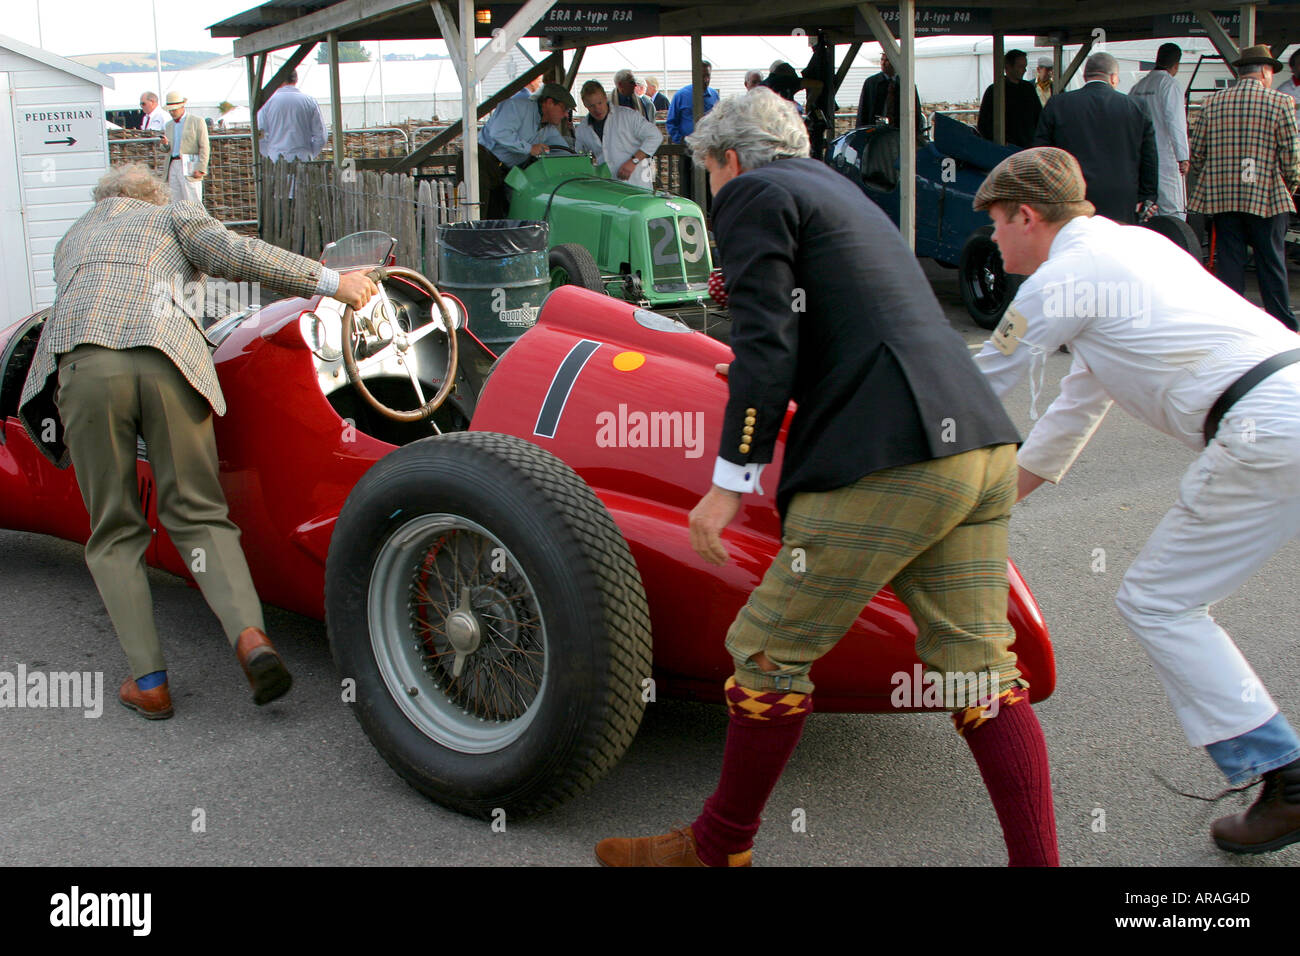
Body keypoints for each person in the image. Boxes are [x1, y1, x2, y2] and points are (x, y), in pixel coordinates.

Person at [594, 89, 1058, 868]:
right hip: (974, 443)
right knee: (980, 670)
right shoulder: (836, 191)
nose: (715, 188)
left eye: (710, 171)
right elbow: (852, 318)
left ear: (729, 160)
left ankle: (718, 849)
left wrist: (728, 480)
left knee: (769, 649)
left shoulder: (753, 192)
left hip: (889, 456)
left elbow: (768, 348)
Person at [972, 145, 1300, 855]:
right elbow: (1073, 412)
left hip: (1265, 428)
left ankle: (1285, 774)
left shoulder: (1063, 279)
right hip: (1288, 401)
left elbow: (972, 385)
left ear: (1027, 215)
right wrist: (992, 511)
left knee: (1158, 601)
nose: (994, 242)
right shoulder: (1133, 250)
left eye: (998, 224)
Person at [16, 163, 378, 720]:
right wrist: (334, 281)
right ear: (150, 195)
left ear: (103, 199)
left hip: (86, 369)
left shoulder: (75, 235)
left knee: (114, 529)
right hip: (169, 362)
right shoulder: (172, 214)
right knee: (199, 514)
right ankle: (251, 638)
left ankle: (151, 682)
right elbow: (238, 255)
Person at [1189, 45, 1300, 330]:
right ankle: (1282, 326)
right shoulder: (1281, 102)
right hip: (1267, 197)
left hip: (1223, 197)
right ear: (1265, 70)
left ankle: (1231, 324)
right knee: (1271, 263)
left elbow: (1197, 154)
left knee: (1230, 262)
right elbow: (1290, 156)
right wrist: (1289, 186)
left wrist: (1213, 181)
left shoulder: (1211, 103)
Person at [1033, 52, 1158, 224]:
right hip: (1121, 200)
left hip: (1071, 198)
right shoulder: (1137, 107)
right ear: (1113, 77)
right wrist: (1148, 196)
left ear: (1085, 76)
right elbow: (1149, 157)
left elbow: (1041, 154)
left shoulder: (1057, 104)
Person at [477, 83, 575, 219]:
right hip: (481, 164)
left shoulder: (548, 130)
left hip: (503, 172)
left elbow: (565, 153)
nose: (565, 115)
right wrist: (530, 148)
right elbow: (499, 133)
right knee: (477, 216)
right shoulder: (517, 107)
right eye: (564, 109)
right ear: (549, 103)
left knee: (496, 220)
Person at [1130, 43, 1190, 220]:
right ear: (1176, 65)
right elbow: (1176, 122)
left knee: (1147, 209)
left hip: (1141, 158)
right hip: (1166, 157)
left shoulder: (1138, 87)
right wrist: (1183, 156)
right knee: (1173, 211)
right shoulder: (1170, 85)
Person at [575, 80, 661, 187]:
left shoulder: (628, 116)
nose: (597, 109)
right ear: (585, 104)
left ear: (605, 98)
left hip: (637, 185)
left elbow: (655, 136)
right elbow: (579, 158)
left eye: (600, 103)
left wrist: (634, 161)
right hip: (608, 189)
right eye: (592, 106)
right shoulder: (582, 129)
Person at [256, 70, 327, 162]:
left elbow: (259, 134)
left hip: (276, 160)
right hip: (303, 158)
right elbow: (321, 136)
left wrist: (269, 153)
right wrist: (310, 153)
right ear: (296, 80)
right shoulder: (310, 102)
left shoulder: (267, 103)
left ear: (278, 80)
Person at [977, 49, 1042, 148]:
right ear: (1008, 67)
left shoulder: (1028, 88)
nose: (1024, 70)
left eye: (1024, 67)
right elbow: (984, 123)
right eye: (1020, 67)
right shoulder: (995, 90)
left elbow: (1038, 115)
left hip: (1028, 146)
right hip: (1005, 147)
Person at [162, 91, 208, 204]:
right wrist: (165, 144)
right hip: (173, 163)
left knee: (193, 199)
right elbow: (166, 149)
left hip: (189, 163)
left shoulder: (197, 121)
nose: (172, 112)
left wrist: (201, 167)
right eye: (170, 110)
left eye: (174, 109)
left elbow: (204, 146)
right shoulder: (168, 125)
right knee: (175, 200)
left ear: (182, 106)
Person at [665, 61, 719, 143]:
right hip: (687, 149)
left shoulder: (714, 95)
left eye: (708, 76)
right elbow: (671, 122)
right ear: (695, 76)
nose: (706, 80)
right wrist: (680, 140)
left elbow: (719, 120)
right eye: (702, 76)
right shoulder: (681, 96)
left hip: (709, 147)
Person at [855, 53, 895, 127]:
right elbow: (863, 110)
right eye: (882, 60)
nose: (883, 63)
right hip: (875, 129)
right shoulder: (871, 82)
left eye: (887, 60)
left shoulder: (904, 83)